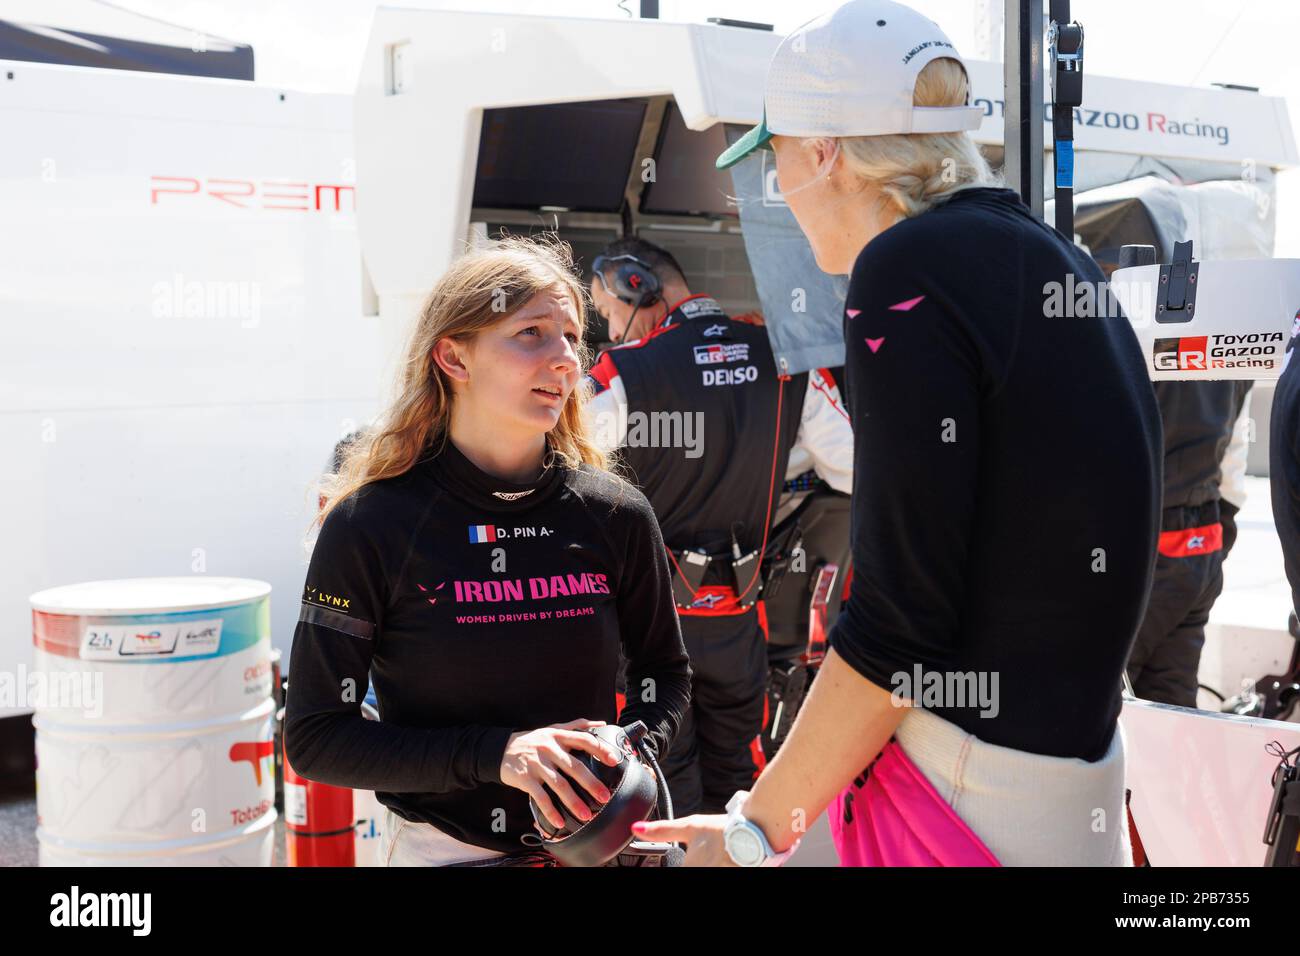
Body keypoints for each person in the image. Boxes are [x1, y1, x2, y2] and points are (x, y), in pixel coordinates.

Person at [635, 0, 1161, 866]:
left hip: (968, 796)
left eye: (776, 161)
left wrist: (752, 836)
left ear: (826, 154)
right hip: (1063, 781)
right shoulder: (1045, 251)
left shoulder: (905, 269)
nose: (779, 192)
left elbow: (900, 625)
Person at [284, 236, 691, 866]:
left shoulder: (615, 513)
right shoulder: (371, 524)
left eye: (572, 337)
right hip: (445, 854)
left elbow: (664, 673)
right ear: (454, 356)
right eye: (531, 332)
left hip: (599, 853)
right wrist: (499, 756)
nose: (564, 361)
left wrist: (630, 747)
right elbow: (315, 737)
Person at [585, 236, 854, 816]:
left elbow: (556, 464)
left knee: (659, 781)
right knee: (740, 781)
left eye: (609, 312)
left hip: (650, 636)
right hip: (738, 628)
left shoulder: (624, 373)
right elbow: (855, 468)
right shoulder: (786, 363)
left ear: (640, 285)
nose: (611, 332)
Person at [1127, 380, 1253, 706]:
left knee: (1098, 704)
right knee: (1172, 707)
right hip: (1202, 542)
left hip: (1140, 542)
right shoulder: (1239, 333)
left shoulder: (1118, 331)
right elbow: (1235, 462)